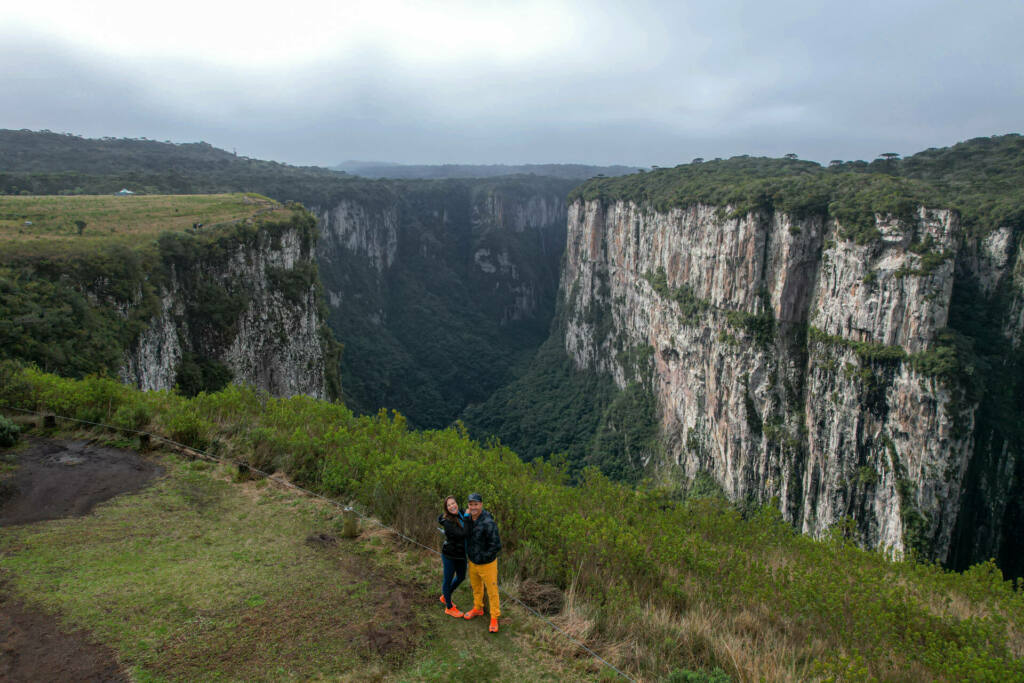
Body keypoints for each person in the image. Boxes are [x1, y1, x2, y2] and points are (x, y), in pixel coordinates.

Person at [462, 492, 502, 633]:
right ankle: (478, 608)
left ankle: (494, 617)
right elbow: (465, 534)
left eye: (476, 504)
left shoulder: (488, 522)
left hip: (487, 564)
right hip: (473, 562)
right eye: (471, 504)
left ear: (481, 505)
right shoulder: (469, 519)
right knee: (476, 587)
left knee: (492, 591)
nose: (473, 507)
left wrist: (483, 557)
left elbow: (496, 545)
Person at [437, 495, 467, 617]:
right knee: (447, 579)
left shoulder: (461, 513)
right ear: (446, 508)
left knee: (461, 576)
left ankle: (446, 596)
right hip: (450, 555)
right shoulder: (448, 523)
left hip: (461, 554)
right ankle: (449, 607)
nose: (452, 506)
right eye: (449, 505)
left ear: (457, 504)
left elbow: (472, 511)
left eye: (453, 503)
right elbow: (462, 534)